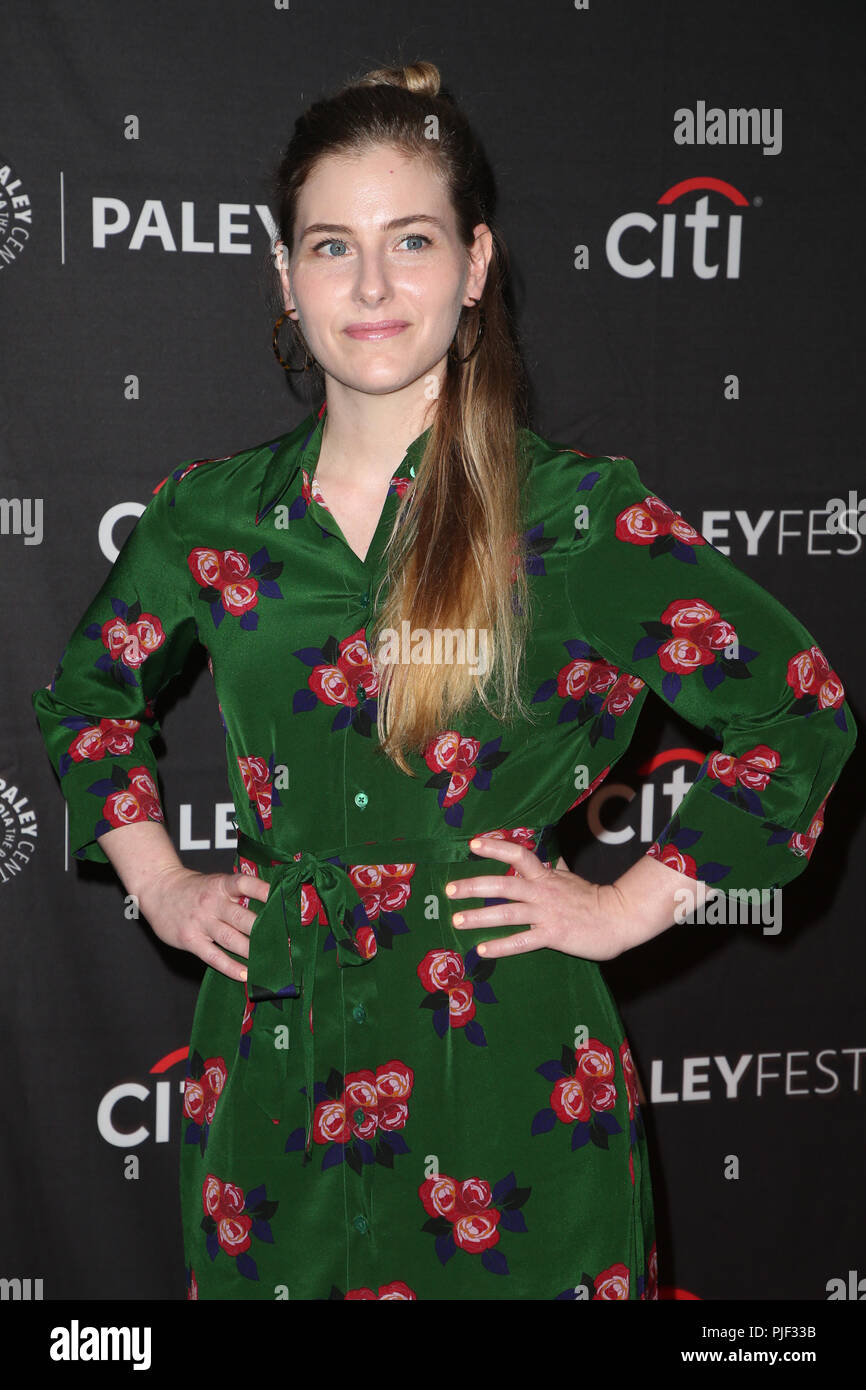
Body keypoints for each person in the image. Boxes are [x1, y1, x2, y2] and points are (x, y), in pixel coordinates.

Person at [32, 60, 857, 1302]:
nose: (368, 287)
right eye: (329, 246)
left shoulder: (574, 518)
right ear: (283, 274)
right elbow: (86, 697)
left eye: (408, 241)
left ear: (474, 265)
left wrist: (626, 905)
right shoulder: (206, 517)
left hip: (507, 1066)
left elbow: (797, 709)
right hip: (275, 1060)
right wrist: (157, 879)